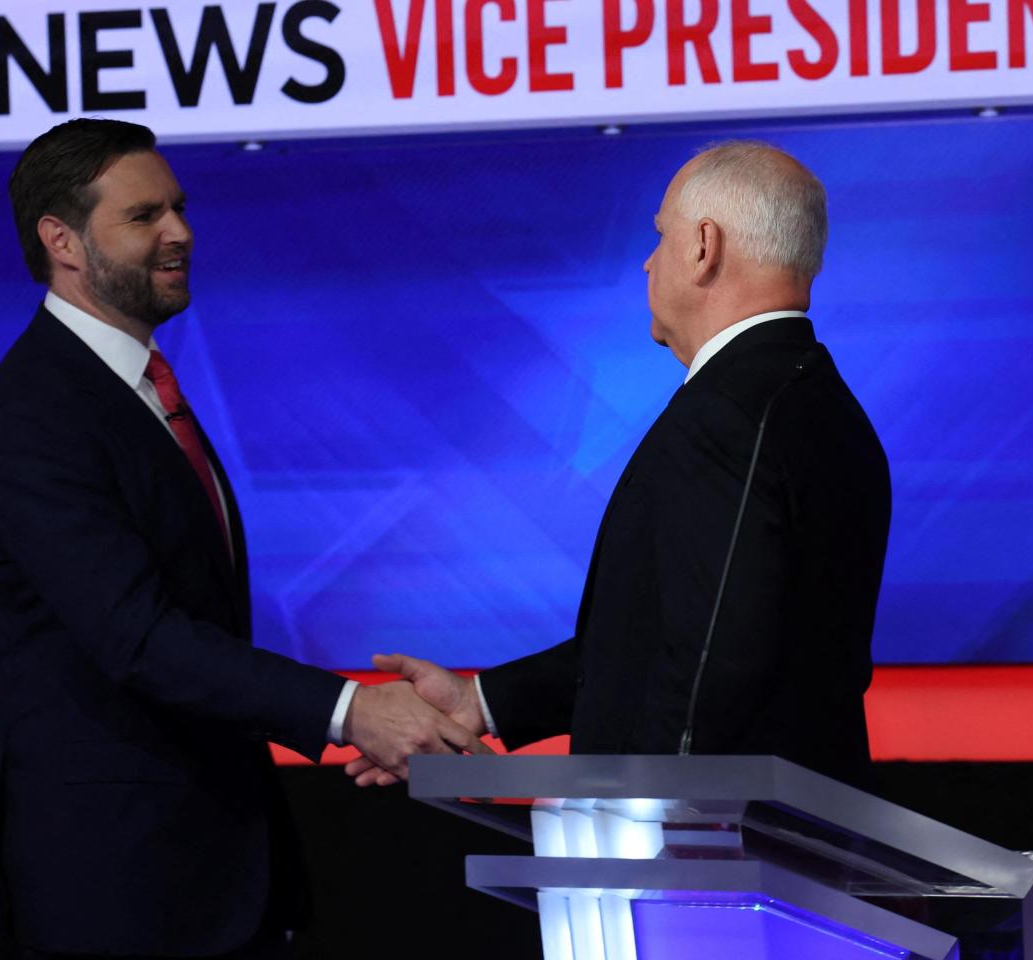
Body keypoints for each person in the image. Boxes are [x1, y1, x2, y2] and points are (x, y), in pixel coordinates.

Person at [0, 118, 481, 959]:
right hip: (117, 886)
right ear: (64, 241)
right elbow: (139, 638)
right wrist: (350, 711)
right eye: (144, 216)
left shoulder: (135, 388)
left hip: (216, 867)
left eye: (180, 209)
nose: (180, 233)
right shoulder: (33, 419)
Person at [349, 141, 890, 788]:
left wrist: (619, 823)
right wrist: (482, 703)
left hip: (704, 866)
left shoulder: (726, 417)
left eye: (661, 235)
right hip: (783, 842)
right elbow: (670, 640)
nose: (646, 260)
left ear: (702, 247)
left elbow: (709, 669)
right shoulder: (827, 410)